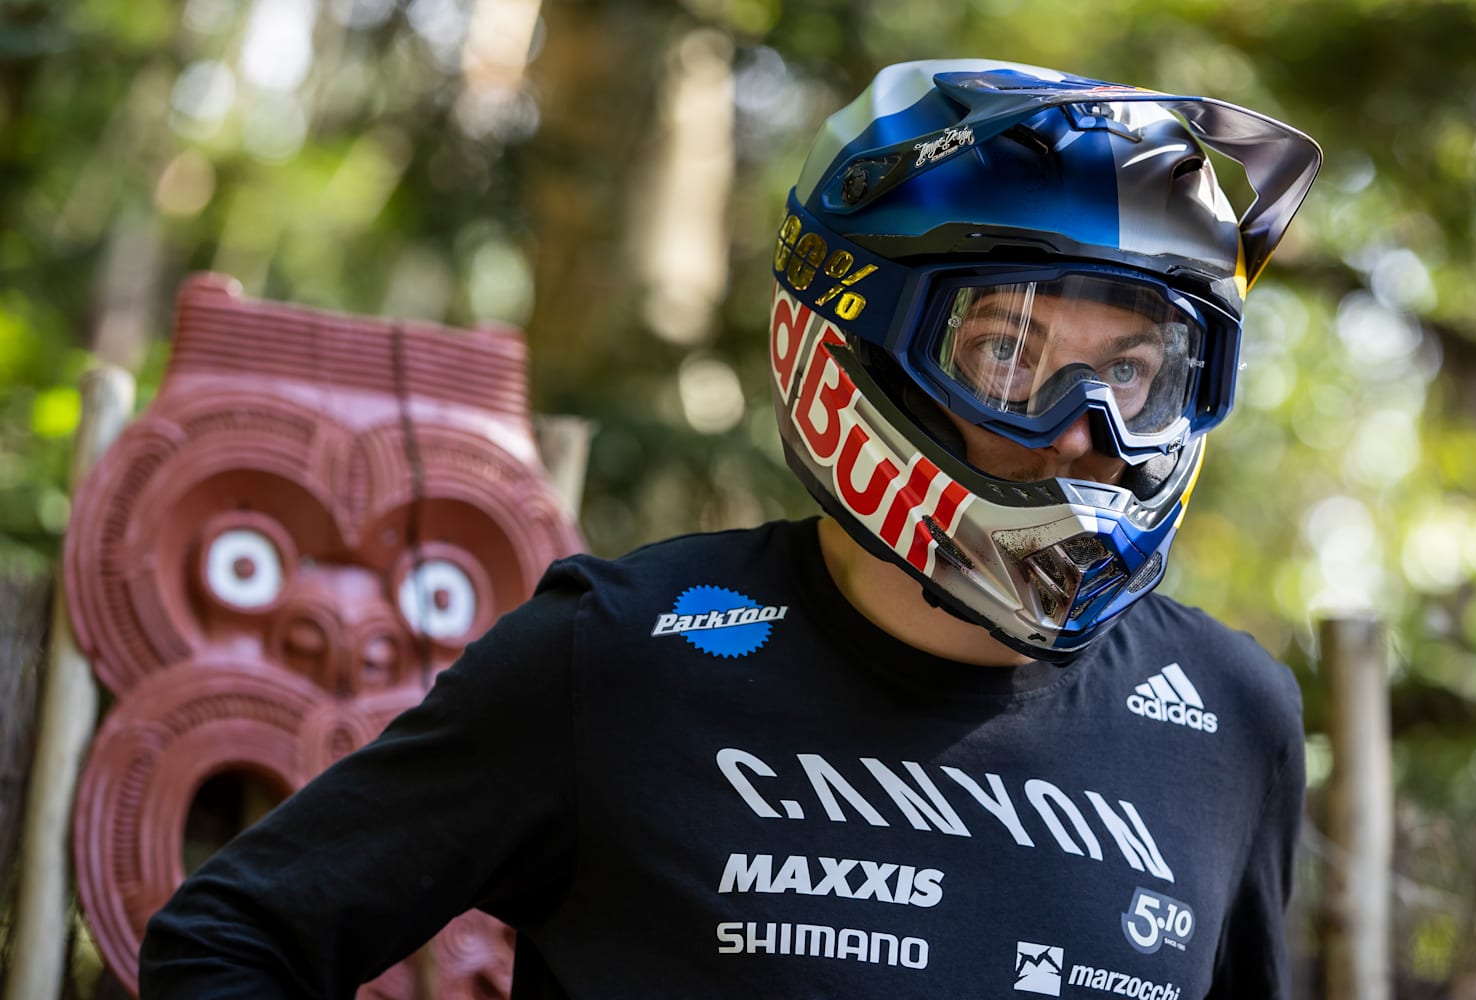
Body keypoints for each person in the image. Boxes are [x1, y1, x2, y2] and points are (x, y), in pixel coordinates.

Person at [139, 58, 1321, 999]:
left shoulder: (1234, 718)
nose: (1088, 431)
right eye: (1009, 353)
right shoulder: (616, 655)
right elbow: (231, 938)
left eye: (1139, 369)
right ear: (846, 342)